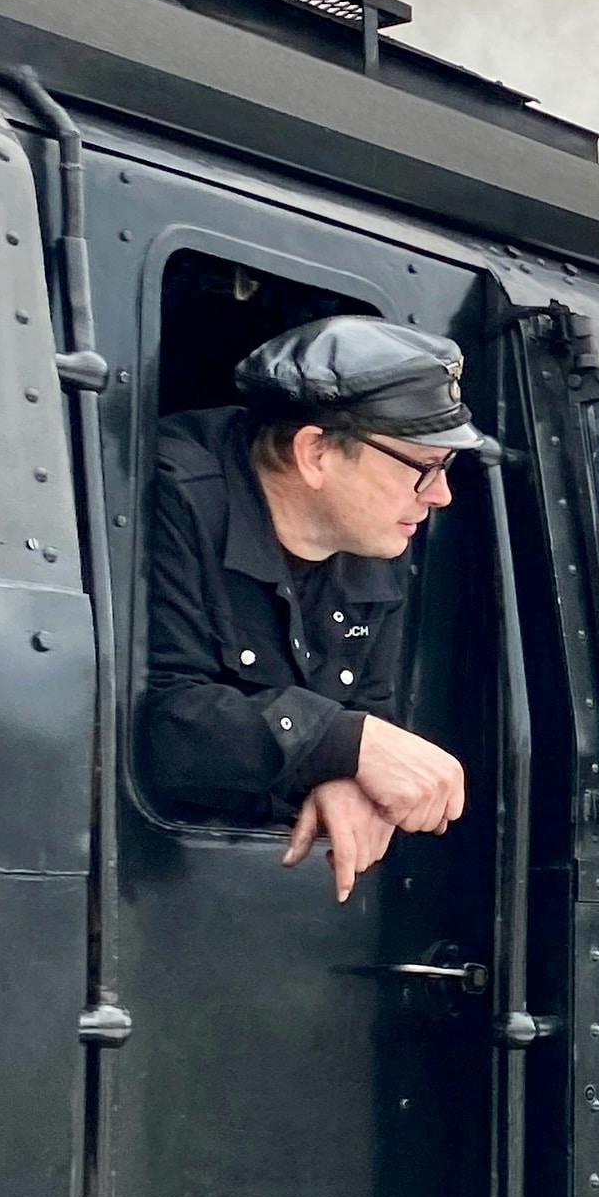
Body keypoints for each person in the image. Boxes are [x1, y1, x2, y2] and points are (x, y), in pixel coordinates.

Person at [142, 314, 489, 901]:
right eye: (423, 468)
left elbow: (371, 712)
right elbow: (159, 722)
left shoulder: (378, 540)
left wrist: (345, 770)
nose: (440, 495)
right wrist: (340, 744)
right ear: (315, 453)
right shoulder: (174, 496)